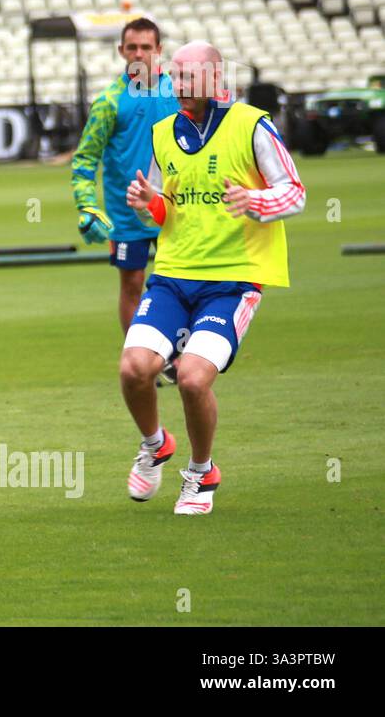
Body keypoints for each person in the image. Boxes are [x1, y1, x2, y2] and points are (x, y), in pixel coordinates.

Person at [122, 41, 305, 515]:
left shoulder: (251, 125)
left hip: (233, 282)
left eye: (187, 78)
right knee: (133, 370)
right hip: (173, 275)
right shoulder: (164, 133)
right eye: (174, 78)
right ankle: (155, 443)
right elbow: (168, 208)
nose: (178, 86)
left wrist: (256, 202)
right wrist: (148, 204)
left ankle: (201, 473)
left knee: (191, 379)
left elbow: (296, 192)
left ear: (213, 80)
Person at [71, 19, 181, 377]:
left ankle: (177, 354)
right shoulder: (108, 102)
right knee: (132, 282)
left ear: (159, 51)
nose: (138, 54)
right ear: (121, 51)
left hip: (174, 209)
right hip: (126, 215)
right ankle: (142, 360)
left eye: (145, 47)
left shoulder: (180, 94)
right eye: (131, 47)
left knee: (178, 281)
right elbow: (85, 158)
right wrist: (87, 204)